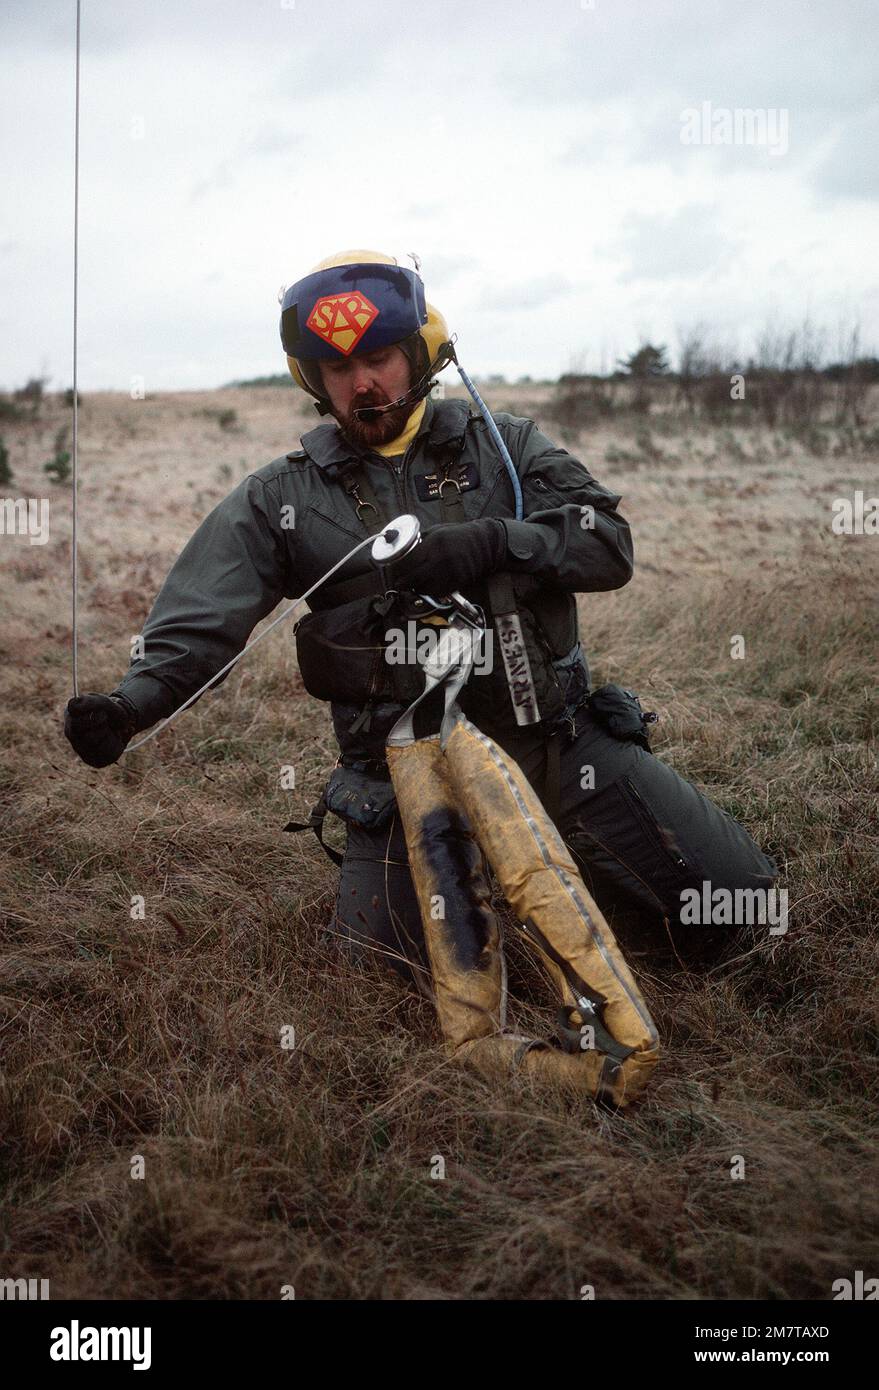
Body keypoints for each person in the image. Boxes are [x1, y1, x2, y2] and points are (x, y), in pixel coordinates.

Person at [64, 249, 778, 998]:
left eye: (377, 358)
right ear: (312, 377)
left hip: (557, 747)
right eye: (337, 368)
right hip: (403, 775)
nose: (362, 383)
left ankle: (567, 864)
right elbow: (201, 618)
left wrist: (500, 541)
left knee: (742, 910)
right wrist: (130, 705)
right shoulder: (282, 496)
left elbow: (608, 545)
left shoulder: (506, 447)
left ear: (419, 354)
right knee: (386, 993)